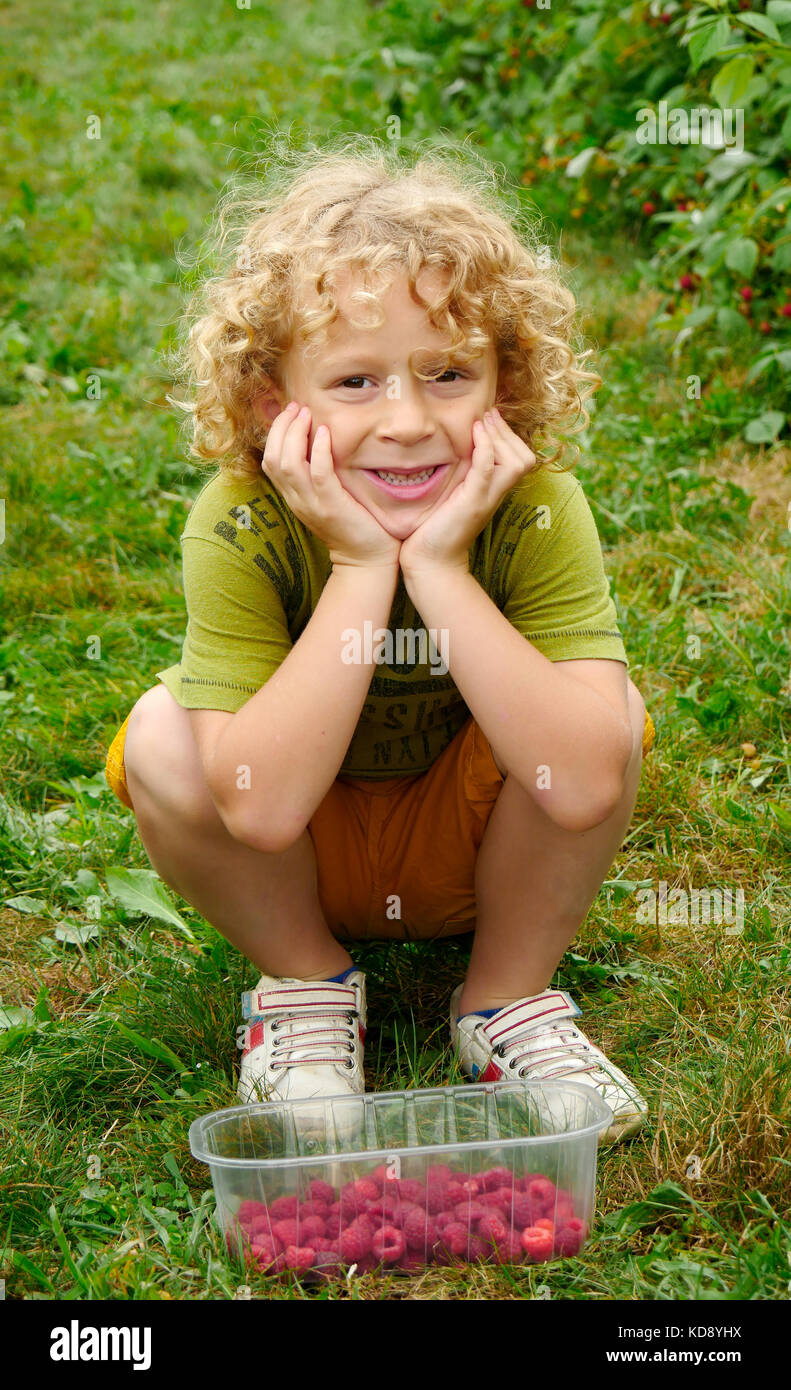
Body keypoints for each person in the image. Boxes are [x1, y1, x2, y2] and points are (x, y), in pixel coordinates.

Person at [104, 138, 655, 1143]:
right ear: (276, 403)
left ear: (503, 383)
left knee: (605, 715)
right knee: (158, 732)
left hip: (475, 846)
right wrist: (362, 568)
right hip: (298, 850)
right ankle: (308, 984)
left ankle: (500, 999)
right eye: (354, 382)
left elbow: (577, 781)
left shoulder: (534, 510)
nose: (406, 421)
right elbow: (258, 808)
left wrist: (437, 569)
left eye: (447, 373)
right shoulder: (237, 522)